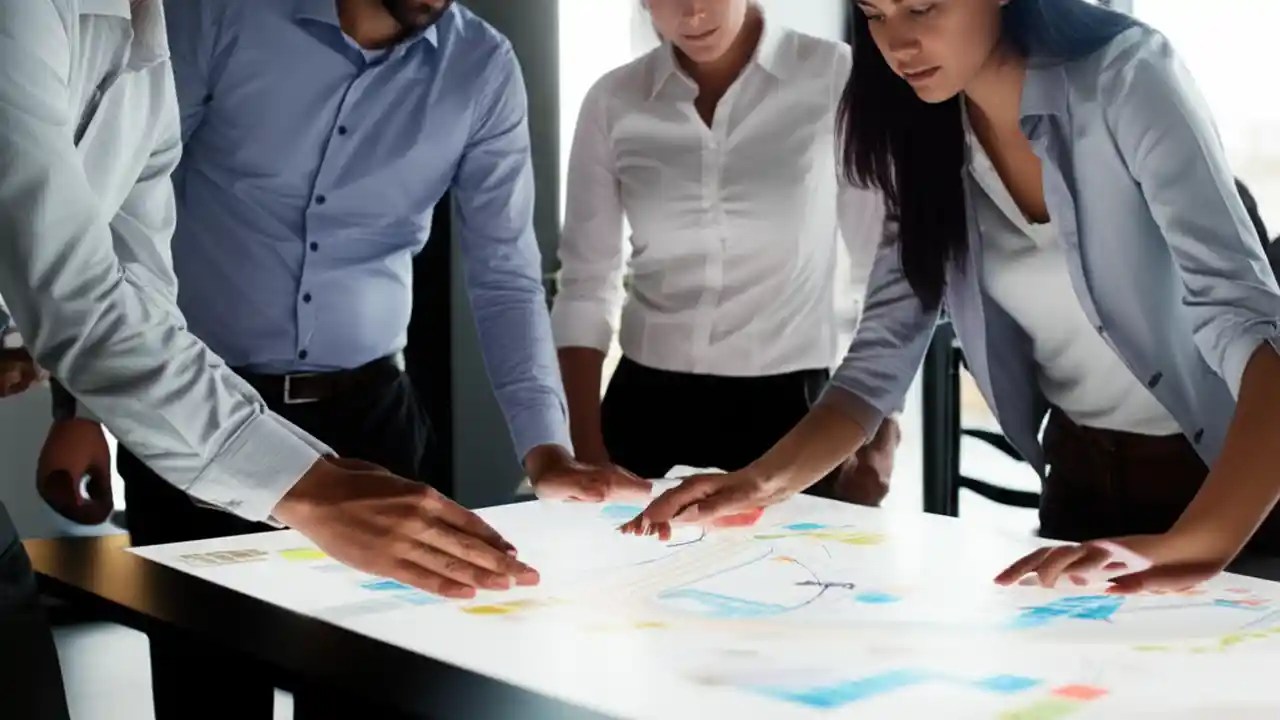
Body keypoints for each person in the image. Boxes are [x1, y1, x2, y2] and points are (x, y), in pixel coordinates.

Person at [626, 0, 1280, 594]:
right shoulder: (919, 129)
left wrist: (1203, 542)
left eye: (922, 7)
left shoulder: (1126, 76)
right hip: (1082, 482)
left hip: (1236, 484)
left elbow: (1248, 321)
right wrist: (755, 483)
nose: (898, 44)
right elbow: (881, 353)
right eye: (875, 15)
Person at [0, 0, 541, 716]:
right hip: (207, 401)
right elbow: (73, 287)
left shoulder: (154, 26)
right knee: (202, 688)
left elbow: (136, 271)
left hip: (361, 414)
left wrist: (546, 446)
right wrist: (305, 484)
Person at [551, 0, 900, 505]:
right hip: (643, 411)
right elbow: (585, 285)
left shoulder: (834, 76)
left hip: (792, 416)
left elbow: (881, 267)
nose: (691, 14)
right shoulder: (613, 101)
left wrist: (881, 421)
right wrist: (584, 447)